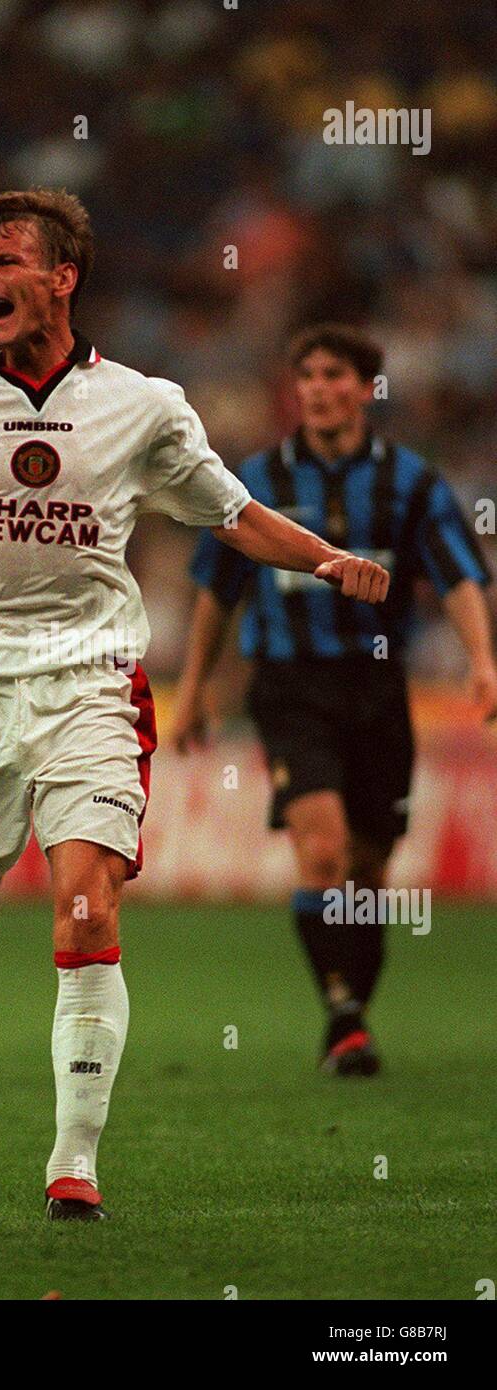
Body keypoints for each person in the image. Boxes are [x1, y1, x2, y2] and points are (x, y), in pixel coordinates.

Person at [0, 196, 389, 1220]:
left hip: (91, 681)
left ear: (63, 277)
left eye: (5, 261)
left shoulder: (143, 405)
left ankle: (74, 1162)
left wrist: (322, 556)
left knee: (88, 903)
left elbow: (228, 510)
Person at [173, 323, 495, 1076]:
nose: (318, 388)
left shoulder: (409, 483)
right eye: (307, 375)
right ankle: (344, 1016)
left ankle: (351, 1010)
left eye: (334, 375)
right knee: (319, 848)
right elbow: (214, 591)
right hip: (289, 686)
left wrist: (482, 661)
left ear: (364, 388)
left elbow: (457, 576)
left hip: (377, 690)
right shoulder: (252, 482)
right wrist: (190, 691)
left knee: (368, 866)